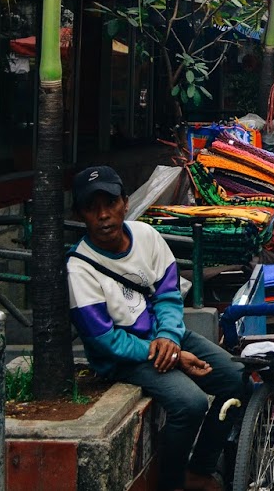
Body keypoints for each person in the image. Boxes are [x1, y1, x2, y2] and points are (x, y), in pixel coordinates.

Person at [67, 166, 245, 491]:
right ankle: (171, 483)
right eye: (92, 208)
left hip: (165, 338)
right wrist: (170, 355)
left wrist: (168, 338)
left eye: (110, 203)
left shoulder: (146, 236)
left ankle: (200, 468)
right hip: (125, 357)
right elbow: (104, 339)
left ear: (124, 202)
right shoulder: (79, 269)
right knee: (190, 404)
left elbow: (168, 295)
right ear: (80, 214)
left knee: (235, 380)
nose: (103, 215)